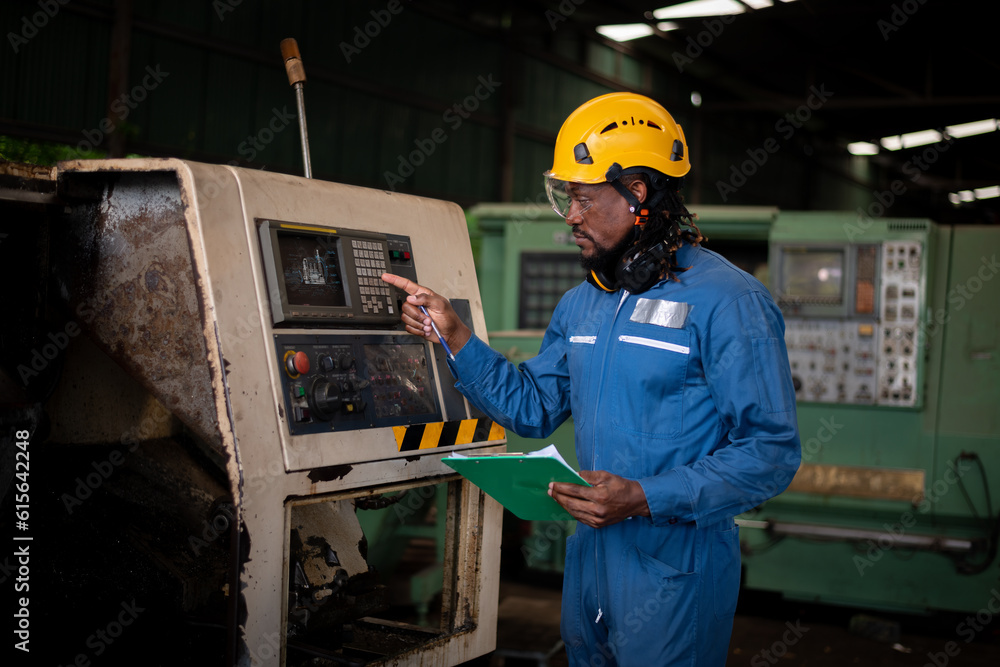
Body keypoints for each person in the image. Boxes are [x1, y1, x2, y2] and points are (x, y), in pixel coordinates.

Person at [382, 92, 800, 666]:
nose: (571, 217)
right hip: (591, 561)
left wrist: (645, 497)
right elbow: (533, 407)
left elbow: (769, 452)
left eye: (581, 198)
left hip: (677, 567)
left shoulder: (729, 302)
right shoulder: (585, 304)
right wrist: (455, 336)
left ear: (637, 194)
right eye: (566, 199)